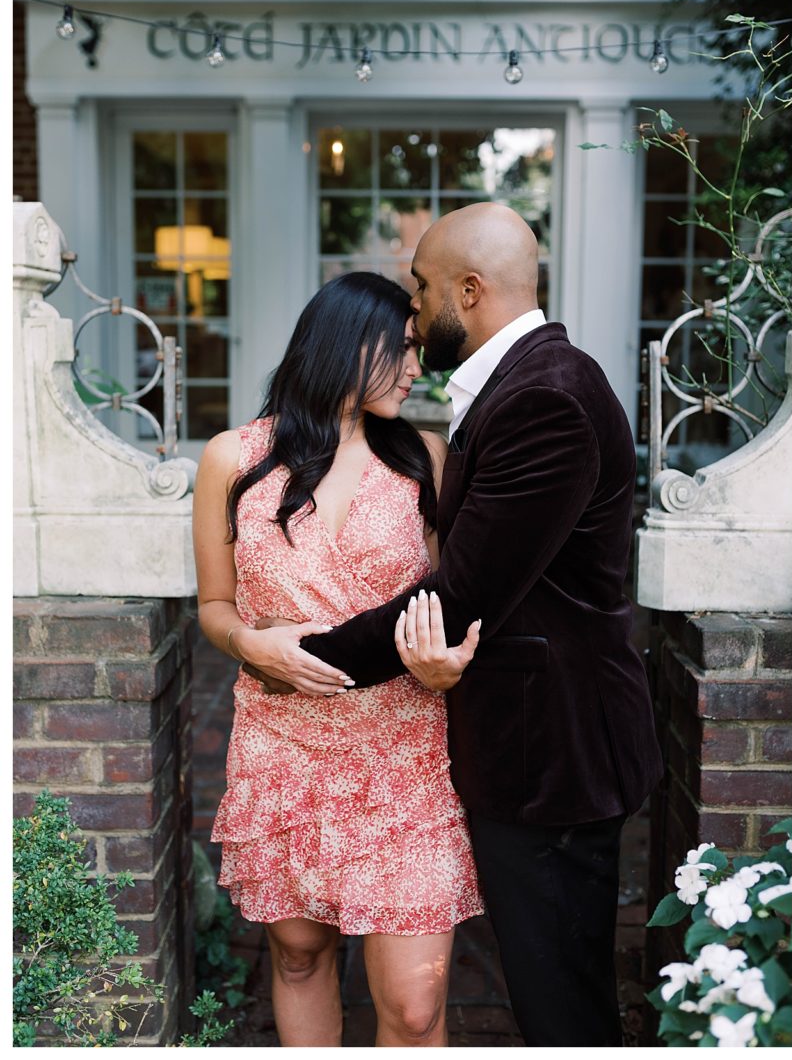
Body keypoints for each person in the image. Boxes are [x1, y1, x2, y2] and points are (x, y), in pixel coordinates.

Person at [256, 202, 664, 1045]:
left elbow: (459, 594)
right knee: (552, 993)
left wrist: (299, 660)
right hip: (530, 749)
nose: (413, 308)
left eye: (422, 286)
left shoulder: (545, 397)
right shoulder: (521, 385)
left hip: (554, 754)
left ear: (469, 291)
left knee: (563, 1010)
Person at [194, 273, 483, 1046]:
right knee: (298, 954)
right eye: (404, 350)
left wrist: (448, 665)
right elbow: (214, 606)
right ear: (349, 344)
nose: (417, 370)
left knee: (416, 1005)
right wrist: (247, 642)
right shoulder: (232, 458)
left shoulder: (424, 458)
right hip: (282, 745)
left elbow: (455, 601)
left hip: (401, 751)